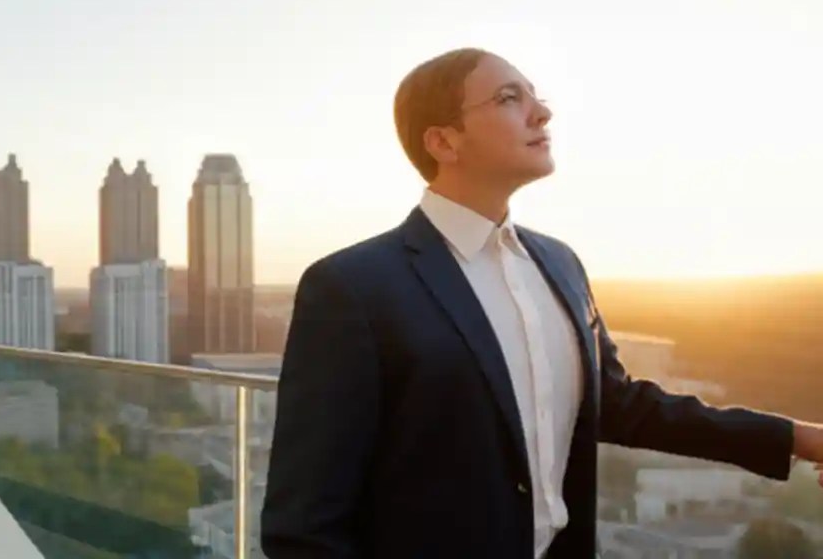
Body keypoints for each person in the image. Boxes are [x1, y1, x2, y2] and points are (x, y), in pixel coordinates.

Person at [260, 48, 823, 558]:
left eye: (538, 98)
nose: (542, 114)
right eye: (510, 98)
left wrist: (798, 438)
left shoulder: (560, 264)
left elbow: (620, 405)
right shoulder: (352, 285)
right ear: (443, 141)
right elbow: (303, 525)